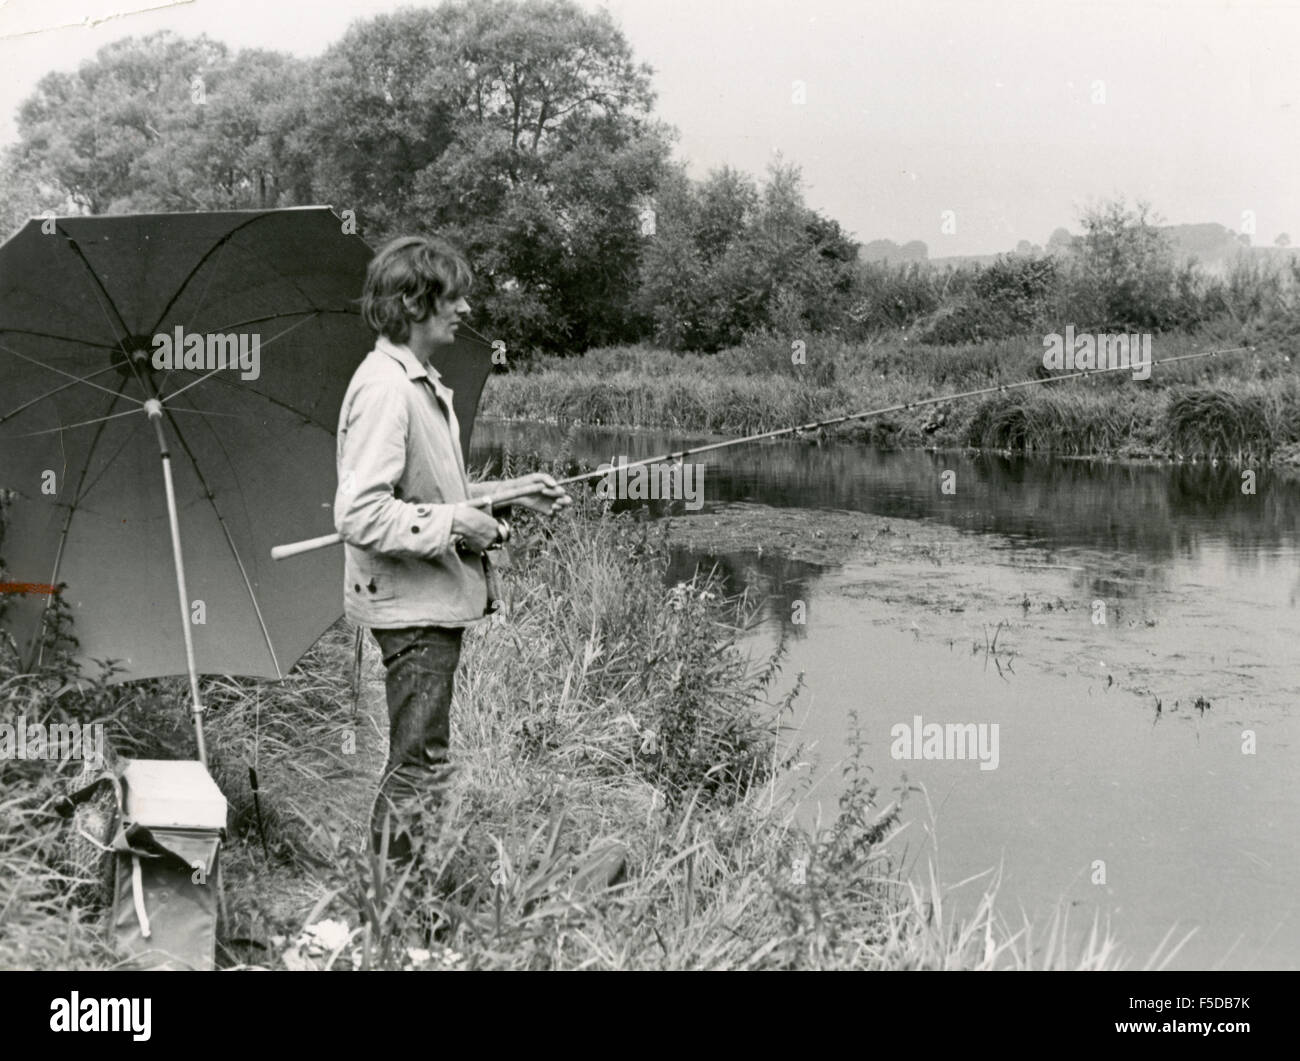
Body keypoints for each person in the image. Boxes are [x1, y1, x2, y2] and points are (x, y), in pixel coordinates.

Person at [334, 235, 570, 860]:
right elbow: (361, 513)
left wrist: (513, 491)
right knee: (420, 764)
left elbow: (436, 492)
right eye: (454, 297)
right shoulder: (388, 388)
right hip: (412, 608)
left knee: (420, 757)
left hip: (424, 600)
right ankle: (398, 912)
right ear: (414, 303)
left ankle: (396, 900)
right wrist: (465, 529)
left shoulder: (415, 381)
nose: (465, 310)